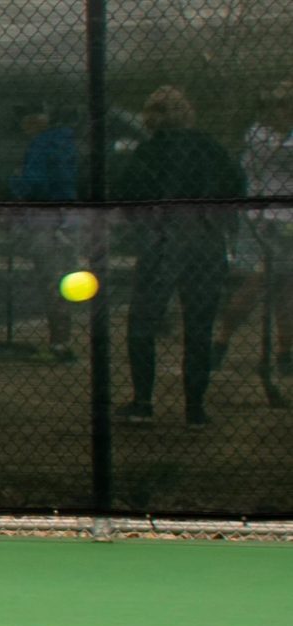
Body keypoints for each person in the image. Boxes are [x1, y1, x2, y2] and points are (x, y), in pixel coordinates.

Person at [113, 86, 244, 427]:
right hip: (205, 238)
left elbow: (127, 194)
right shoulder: (210, 147)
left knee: (143, 320)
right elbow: (236, 184)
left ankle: (143, 402)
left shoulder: (149, 151)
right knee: (199, 324)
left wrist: (143, 223)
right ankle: (195, 408)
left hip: (163, 237)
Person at [213, 79, 293, 374]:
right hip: (268, 222)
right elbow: (280, 153)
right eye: (279, 104)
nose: (282, 110)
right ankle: (221, 342)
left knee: (285, 288)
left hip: (287, 220)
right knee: (259, 282)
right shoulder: (259, 136)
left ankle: (284, 353)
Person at [10, 103, 81, 362]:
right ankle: (61, 341)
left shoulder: (42, 144)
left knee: (51, 282)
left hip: (46, 217)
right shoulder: (66, 141)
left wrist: (15, 181)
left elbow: (34, 184)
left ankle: (59, 344)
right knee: (62, 281)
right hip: (68, 216)